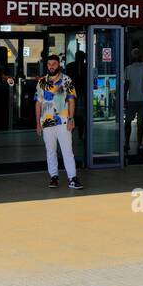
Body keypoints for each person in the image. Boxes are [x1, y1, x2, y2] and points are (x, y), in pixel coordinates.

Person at [35, 52, 84, 189]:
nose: (51, 67)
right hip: (46, 122)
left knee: (67, 150)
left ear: (59, 65)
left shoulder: (66, 80)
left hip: (63, 121)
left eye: (54, 64)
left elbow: (71, 100)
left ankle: (73, 178)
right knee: (50, 151)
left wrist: (71, 118)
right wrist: (38, 123)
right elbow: (38, 103)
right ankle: (54, 177)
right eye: (49, 64)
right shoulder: (41, 82)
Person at [124, 47, 143, 158]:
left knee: (128, 123)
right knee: (140, 124)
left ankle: (127, 143)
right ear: (140, 56)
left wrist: (123, 99)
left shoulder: (128, 68)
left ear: (131, 57)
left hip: (132, 99)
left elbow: (126, 85)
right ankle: (139, 144)